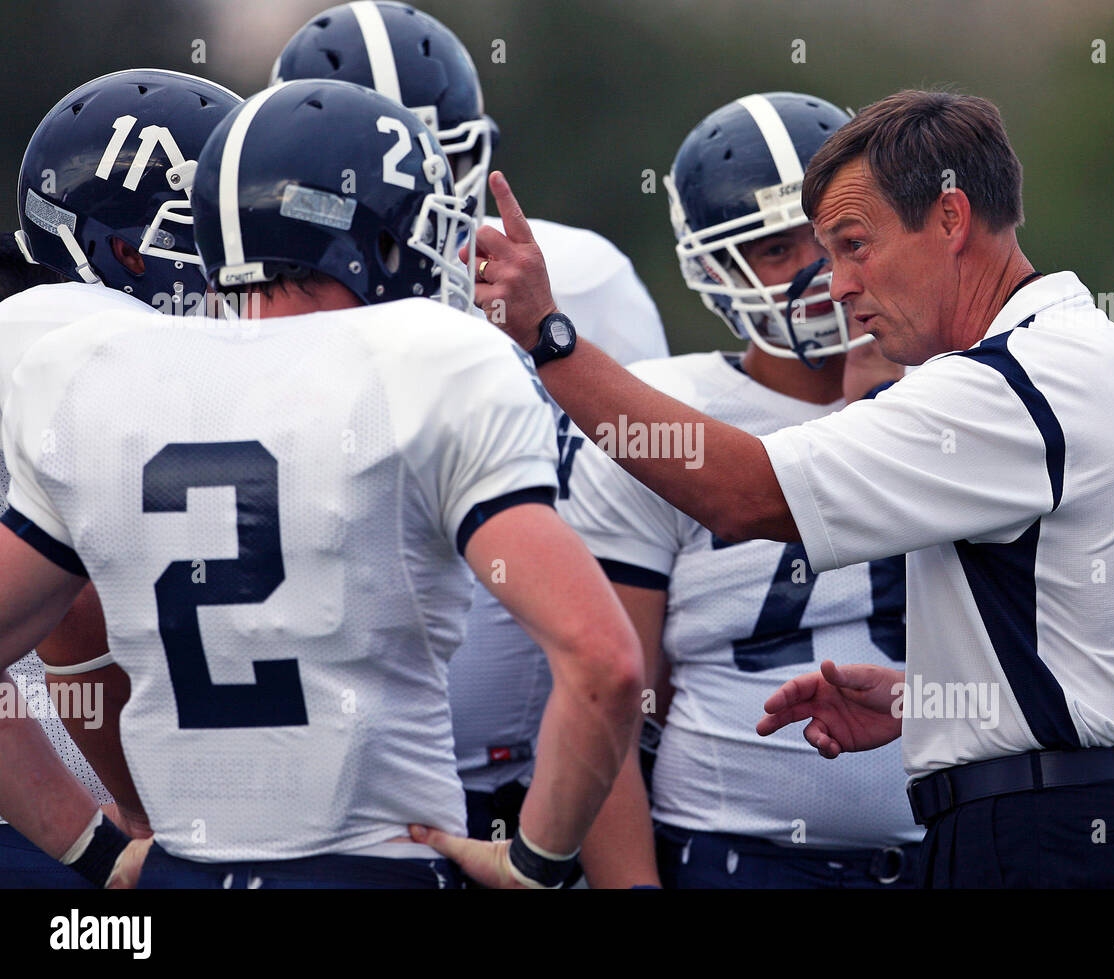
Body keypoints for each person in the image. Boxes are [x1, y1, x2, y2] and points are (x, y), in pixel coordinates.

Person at [461, 89, 1114, 888]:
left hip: (1057, 838)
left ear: (950, 218)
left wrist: (550, 337)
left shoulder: (1008, 383)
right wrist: (934, 702)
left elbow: (747, 492)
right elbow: (1099, 657)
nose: (835, 285)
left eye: (854, 245)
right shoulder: (1100, 357)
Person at [0, 78, 641, 889]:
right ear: (370, 244)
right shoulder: (430, 363)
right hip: (374, 865)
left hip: (182, 871)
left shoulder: (97, 374)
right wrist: (536, 860)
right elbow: (605, 663)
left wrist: (88, 847)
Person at [271, 1, 668, 885]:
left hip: (532, 784)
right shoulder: (251, 305)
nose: (398, 207)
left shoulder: (583, 281)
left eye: (433, 162)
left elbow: (642, 547)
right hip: (313, 804)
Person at [565, 92, 920, 889]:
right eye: (775, 246)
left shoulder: (964, 393)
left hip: (959, 847)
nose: (816, 269)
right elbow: (609, 700)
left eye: (839, 234)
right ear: (715, 268)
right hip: (740, 854)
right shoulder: (668, 415)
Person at [0, 69, 244, 886]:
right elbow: (70, 607)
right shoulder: (96, 341)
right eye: (203, 234)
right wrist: (126, 826)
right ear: (117, 246)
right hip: (49, 816)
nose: (240, 264)